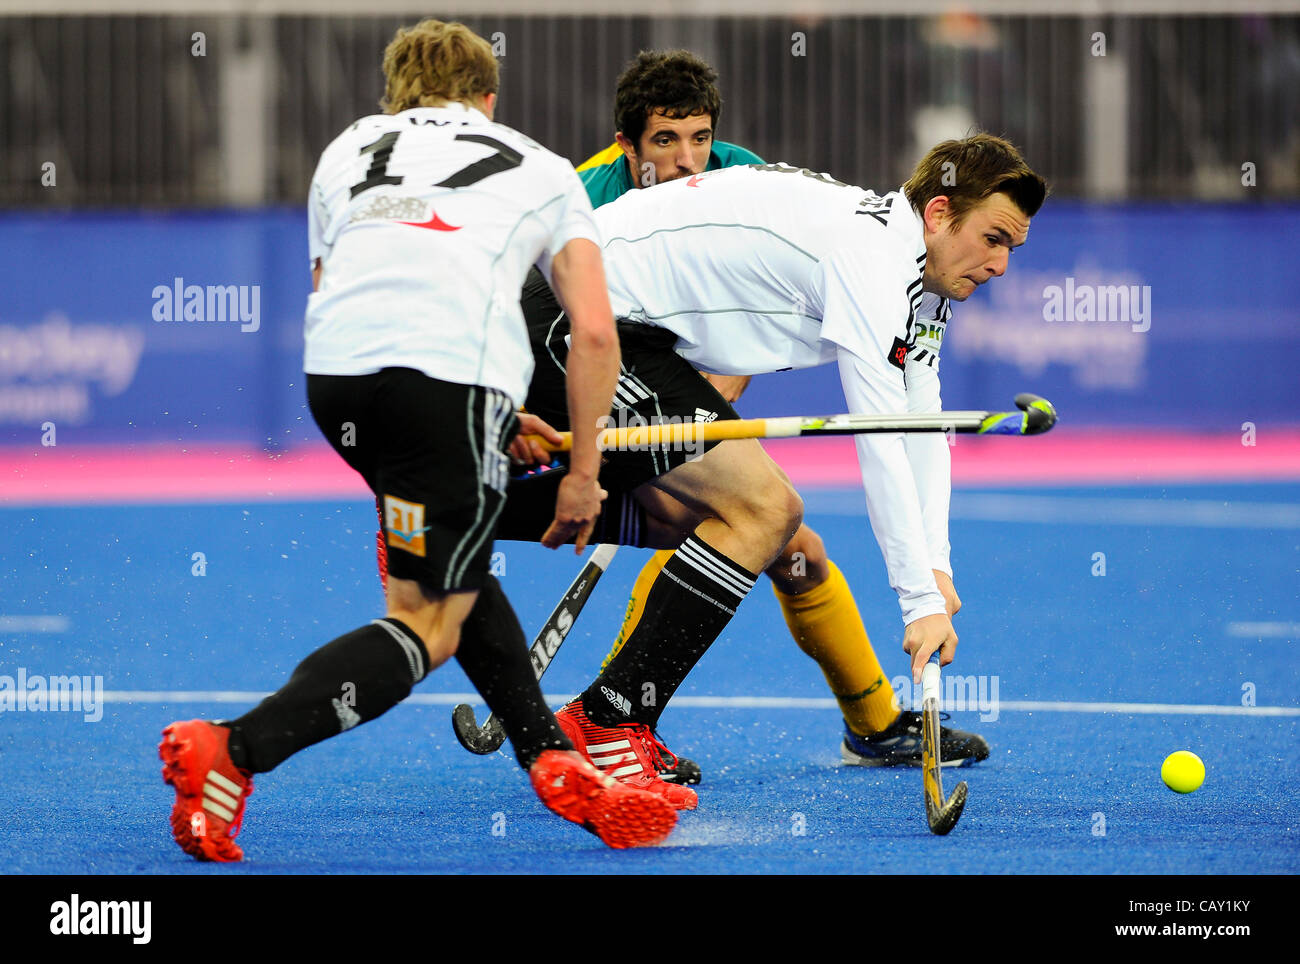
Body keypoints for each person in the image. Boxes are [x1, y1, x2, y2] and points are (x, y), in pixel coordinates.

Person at [157, 18, 677, 862]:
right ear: (488, 97)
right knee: (426, 621)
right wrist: (585, 472)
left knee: (451, 566)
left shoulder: (347, 151)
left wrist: (490, 423)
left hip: (339, 383)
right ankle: (236, 750)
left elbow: (356, 289)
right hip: (445, 385)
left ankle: (548, 757)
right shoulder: (541, 167)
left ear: (391, 97)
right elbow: (592, 333)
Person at [494, 133, 1045, 809]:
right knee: (764, 509)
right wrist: (917, 604)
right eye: (993, 239)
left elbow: (920, 418)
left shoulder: (919, 277)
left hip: (626, 324)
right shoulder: (872, 259)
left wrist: (935, 567)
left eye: (1012, 248)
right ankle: (609, 718)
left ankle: (463, 512)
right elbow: (880, 436)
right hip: (578, 315)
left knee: (722, 523)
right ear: (939, 214)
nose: (1000, 265)